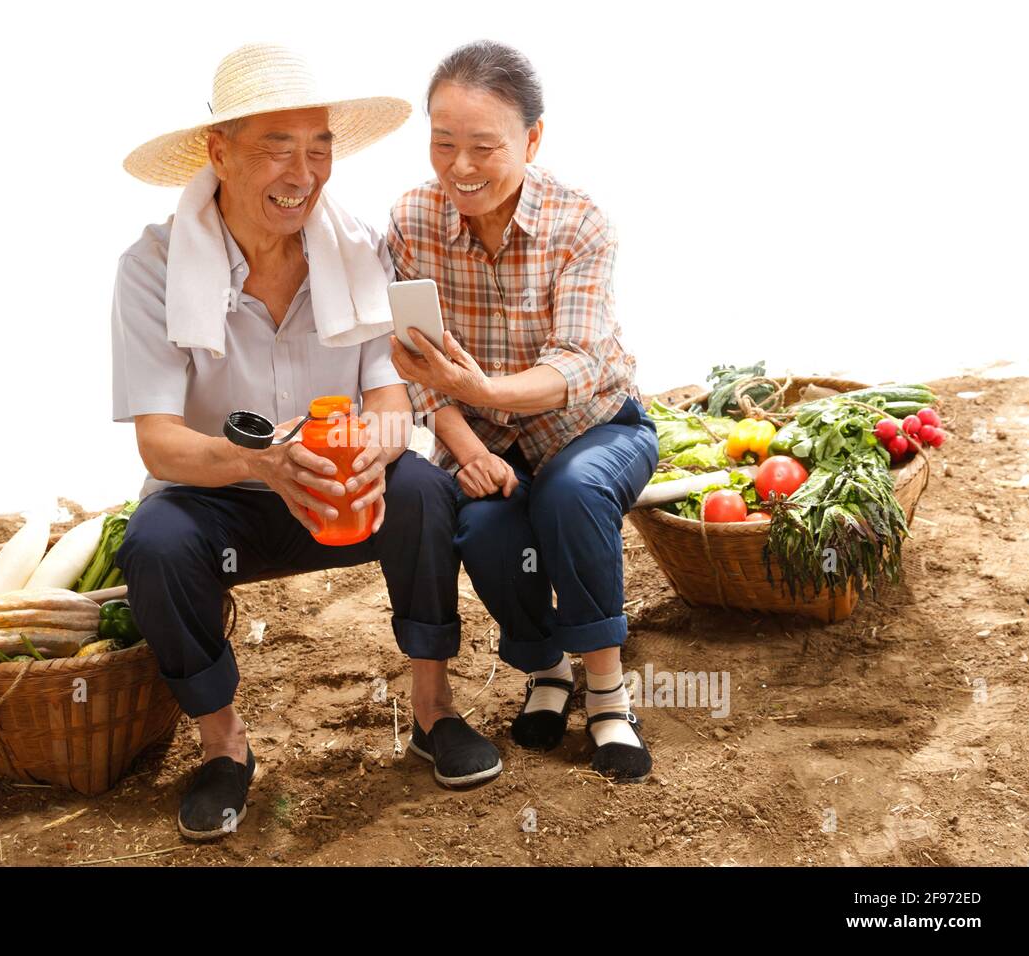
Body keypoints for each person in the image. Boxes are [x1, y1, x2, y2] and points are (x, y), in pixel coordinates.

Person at [110, 44, 502, 841]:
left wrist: (371, 450)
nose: (304, 170)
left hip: (339, 490)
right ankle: (225, 749)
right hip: (222, 498)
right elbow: (159, 445)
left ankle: (432, 712)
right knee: (152, 542)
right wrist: (262, 462)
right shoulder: (151, 268)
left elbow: (391, 399)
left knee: (424, 491)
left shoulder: (357, 249)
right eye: (276, 147)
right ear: (218, 152)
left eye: (318, 146)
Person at [388, 40, 660, 783]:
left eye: (484, 146)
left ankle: (606, 690)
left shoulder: (579, 223)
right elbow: (416, 368)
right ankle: (547, 671)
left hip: (597, 427)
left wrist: (487, 394)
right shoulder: (413, 219)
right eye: (444, 144)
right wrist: (463, 443)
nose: (461, 168)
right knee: (482, 523)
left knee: (570, 492)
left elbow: (577, 362)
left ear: (532, 140)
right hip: (487, 441)